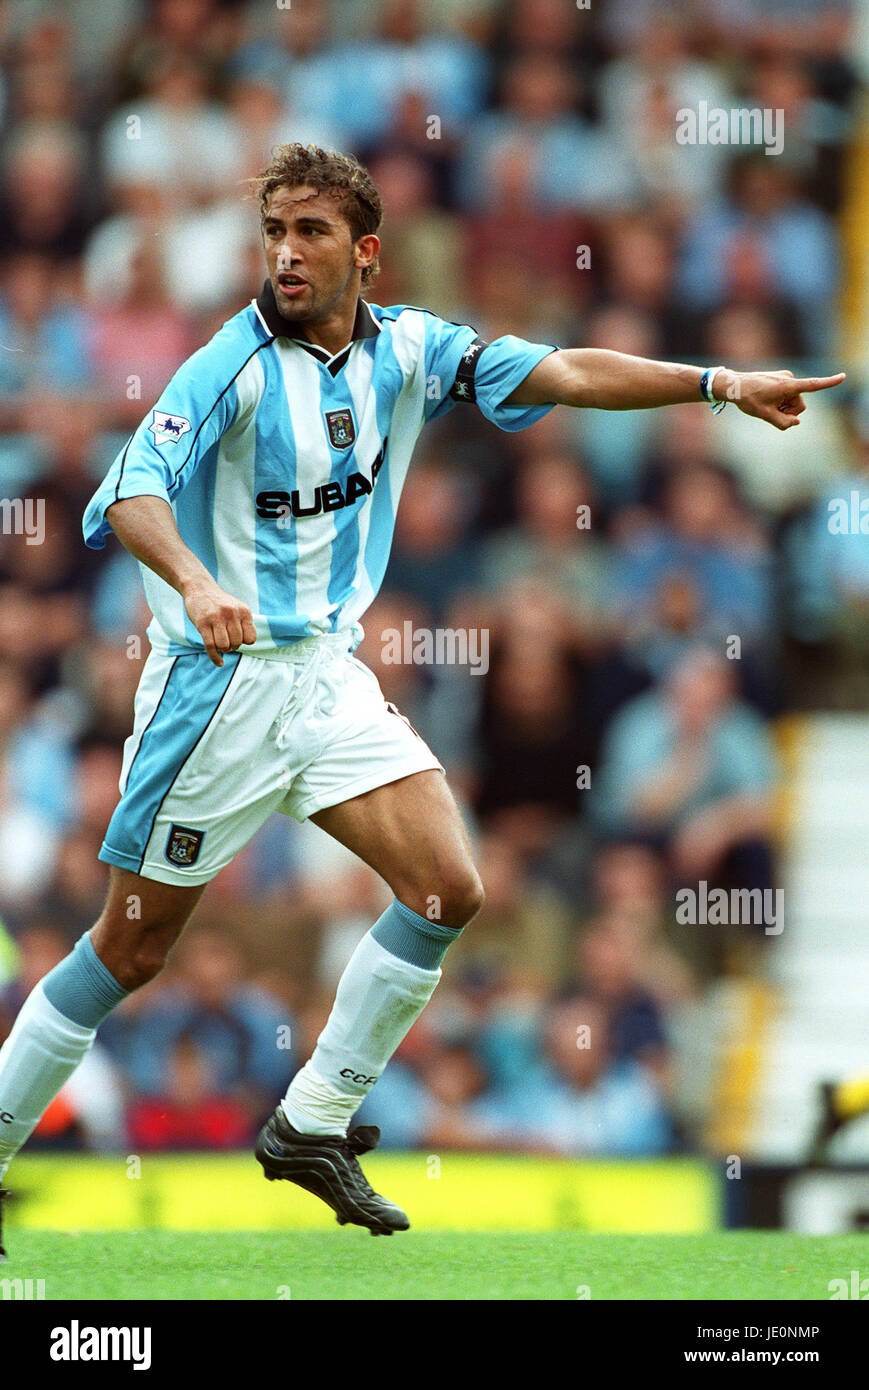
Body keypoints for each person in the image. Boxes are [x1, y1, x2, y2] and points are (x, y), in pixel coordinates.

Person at [0, 142, 845, 1252]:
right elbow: (132, 492)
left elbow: (565, 372)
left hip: (327, 675)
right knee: (128, 951)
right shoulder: (231, 364)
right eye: (272, 233)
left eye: (308, 232)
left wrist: (716, 384)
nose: (285, 253)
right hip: (218, 691)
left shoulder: (412, 349)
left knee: (448, 885)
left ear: (366, 251)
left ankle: (311, 1121)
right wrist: (198, 583)